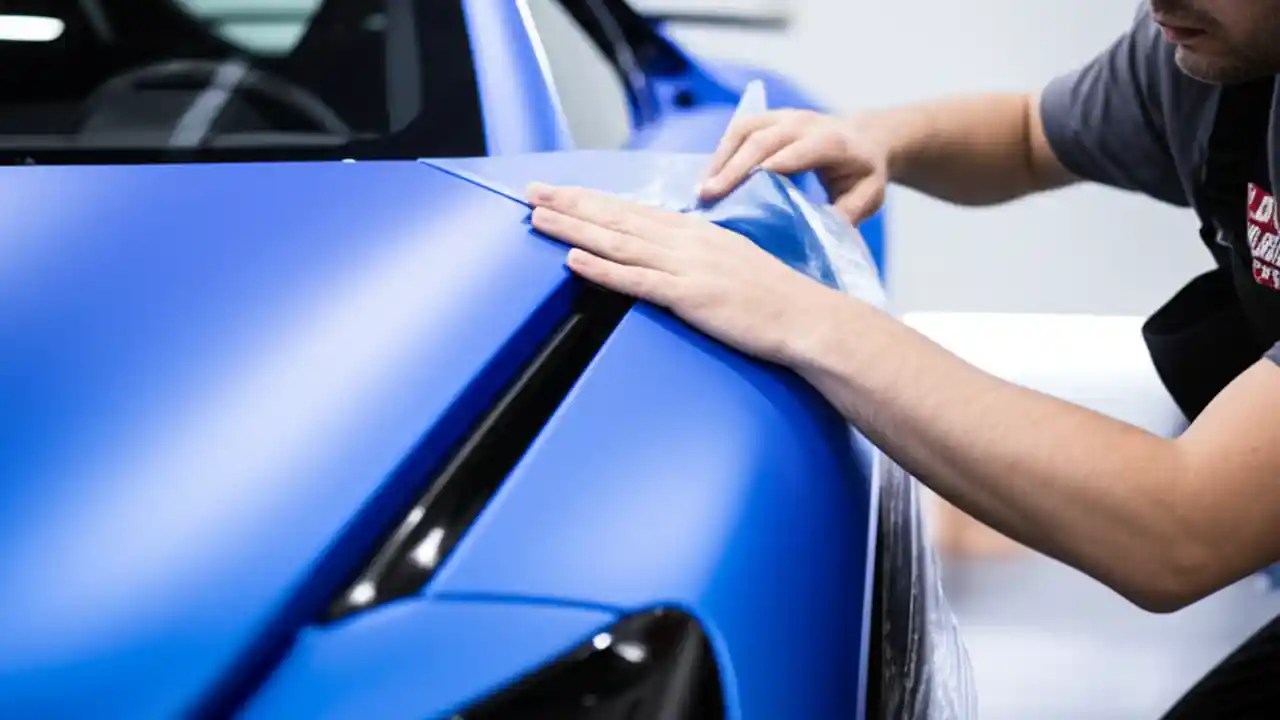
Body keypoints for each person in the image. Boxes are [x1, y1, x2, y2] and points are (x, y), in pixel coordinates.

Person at [528, 0, 1280, 714]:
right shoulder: (1203, 48)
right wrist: (879, 139)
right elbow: (1025, 136)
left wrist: (803, 319)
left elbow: (1181, 530)